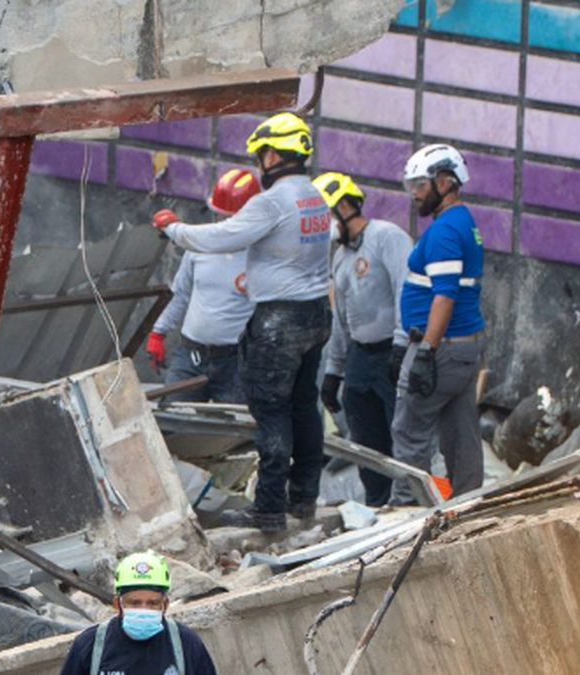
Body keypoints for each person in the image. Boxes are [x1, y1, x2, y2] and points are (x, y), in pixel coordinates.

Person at [152, 112, 333, 533]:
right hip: (314, 314)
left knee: (270, 412)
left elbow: (221, 238)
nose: (259, 164)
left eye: (261, 156)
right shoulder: (314, 196)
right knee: (305, 408)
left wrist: (175, 229)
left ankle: (268, 509)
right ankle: (303, 499)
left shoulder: (271, 202)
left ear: (273, 155)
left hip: (279, 320)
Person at [389, 144, 486, 505]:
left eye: (421, 185)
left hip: (441, 348)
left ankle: (405, 511)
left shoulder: (445, 231)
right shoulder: (463, 222)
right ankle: (468, 504)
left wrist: (425, 351)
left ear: (445, 183)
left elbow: (444, 297)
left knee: (409, 433)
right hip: (463, 348)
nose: (414, 194)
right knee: (462, 434)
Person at [313, 172, 412, 508]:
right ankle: (376, 503)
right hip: (359, 357)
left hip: (391, 352)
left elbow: (406, 290)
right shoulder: (339, 257)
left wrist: (401, 345)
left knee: (400, 434)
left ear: (344, 205)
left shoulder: (387, 237)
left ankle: (408, 502)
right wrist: (333, 371)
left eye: (324, 214)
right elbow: (341, 318)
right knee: (366, 439)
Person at [146, 169, 259, 404]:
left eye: (229, 219)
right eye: (219, 217)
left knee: (230, 435)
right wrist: (158, 332)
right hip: (190, 355)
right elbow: (180, 293)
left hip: (236, 363)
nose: (222, 225)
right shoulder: (199, 248)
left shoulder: (261, 256)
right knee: (172, 422)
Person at [58, 552, 218, 675]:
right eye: (134, 603)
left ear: (165, 605)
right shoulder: (90, 646)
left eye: (153, 603)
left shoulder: (186, 643)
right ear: (117, 604)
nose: (144, 609)